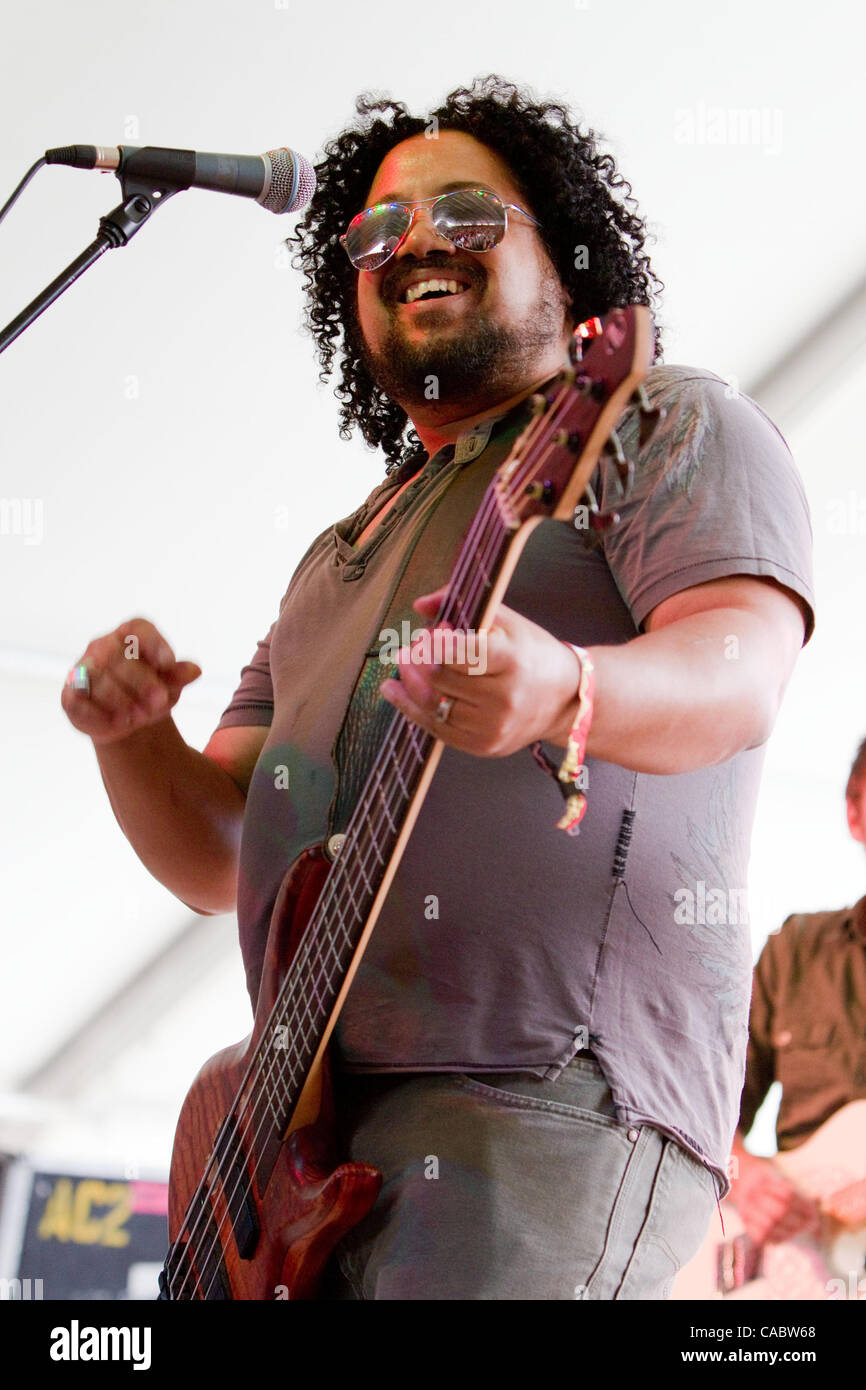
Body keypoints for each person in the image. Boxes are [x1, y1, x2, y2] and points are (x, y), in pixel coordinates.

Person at [61, 76, 815, 1300]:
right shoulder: (337, 554)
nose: (410, 242)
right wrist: (131, 738)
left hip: (539, 1095)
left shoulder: (663, 418)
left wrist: (565, 687)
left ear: (564, 261)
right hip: (286, 1146)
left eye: (463, 215)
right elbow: (218, 855)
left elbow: (739, 667)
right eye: (372, 233)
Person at [730, 739, 866, 1248]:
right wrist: (743, 1177)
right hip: (797, 1258)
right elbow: (711, 1109)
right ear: (855, 813)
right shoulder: (794, 951)